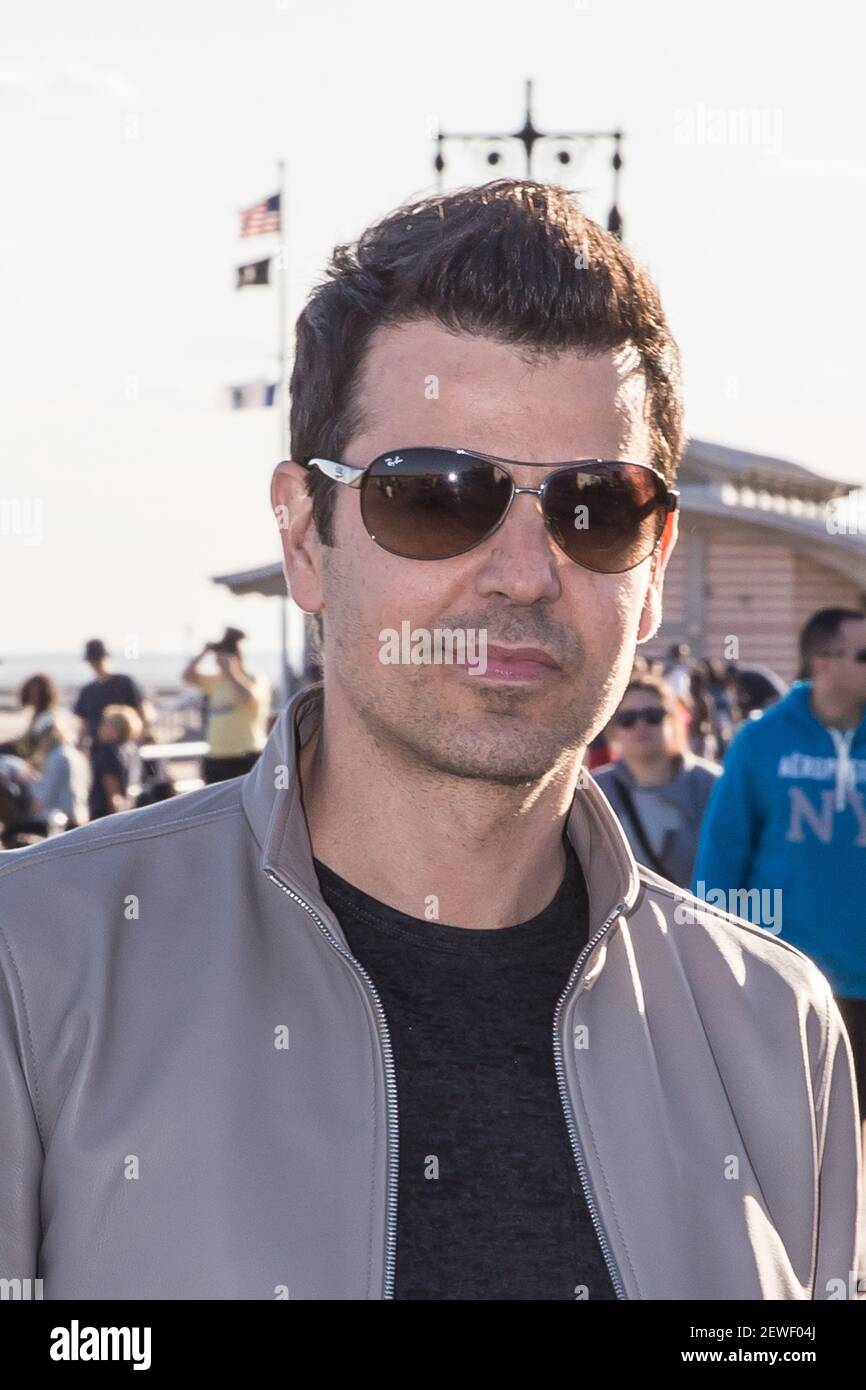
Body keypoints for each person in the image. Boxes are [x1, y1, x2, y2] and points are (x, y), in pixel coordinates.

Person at [0, 180, 860, 1301]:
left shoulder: (772, 1024)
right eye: (434, 497)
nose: (520, 571)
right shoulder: (38, 965)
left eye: (593, 506)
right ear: (305, 537)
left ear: (650, 571)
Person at [694, 607, 866, 1140]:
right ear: (824, 663)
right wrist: (712, 960)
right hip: (788, 978)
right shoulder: (761, 740)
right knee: (797, 1139)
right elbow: (724, 856)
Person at [593, 674, 721, 889]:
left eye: (653, 716)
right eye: (628, 719)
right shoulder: (595, 791)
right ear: (613, 729)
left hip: (698, 916)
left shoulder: (711, 784)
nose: (641, 726)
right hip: (627, 919)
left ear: (673, 720)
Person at [181, 627, 271, 784]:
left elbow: (249, 697)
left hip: (245, 755)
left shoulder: (255, 678)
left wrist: (231, 672)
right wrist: (204, 653)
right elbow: (187, 676)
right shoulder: (216, 681)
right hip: (216, 756)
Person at [73, 639, 151, 747]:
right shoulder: (87, 691)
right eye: (93, 660)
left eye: (98, 659)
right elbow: (83, 724)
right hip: (99, 749)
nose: (96, 664)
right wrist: (80, 746)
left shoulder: (125, 683)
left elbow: (143, 712)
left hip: (127, 745)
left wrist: (141, 737)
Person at [28, 711, 91, 828]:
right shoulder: (77, 755)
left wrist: (31, 781)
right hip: (80, 816)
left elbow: (47, 795)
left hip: (59, 821)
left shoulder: (56, 757)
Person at [88, 705, 143, 819]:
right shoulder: (131, 749)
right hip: (129, 810)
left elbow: (112, 791)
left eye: (105, 724)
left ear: (115, 729)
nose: (100, 728)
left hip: (105, 816)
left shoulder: (107, 751)